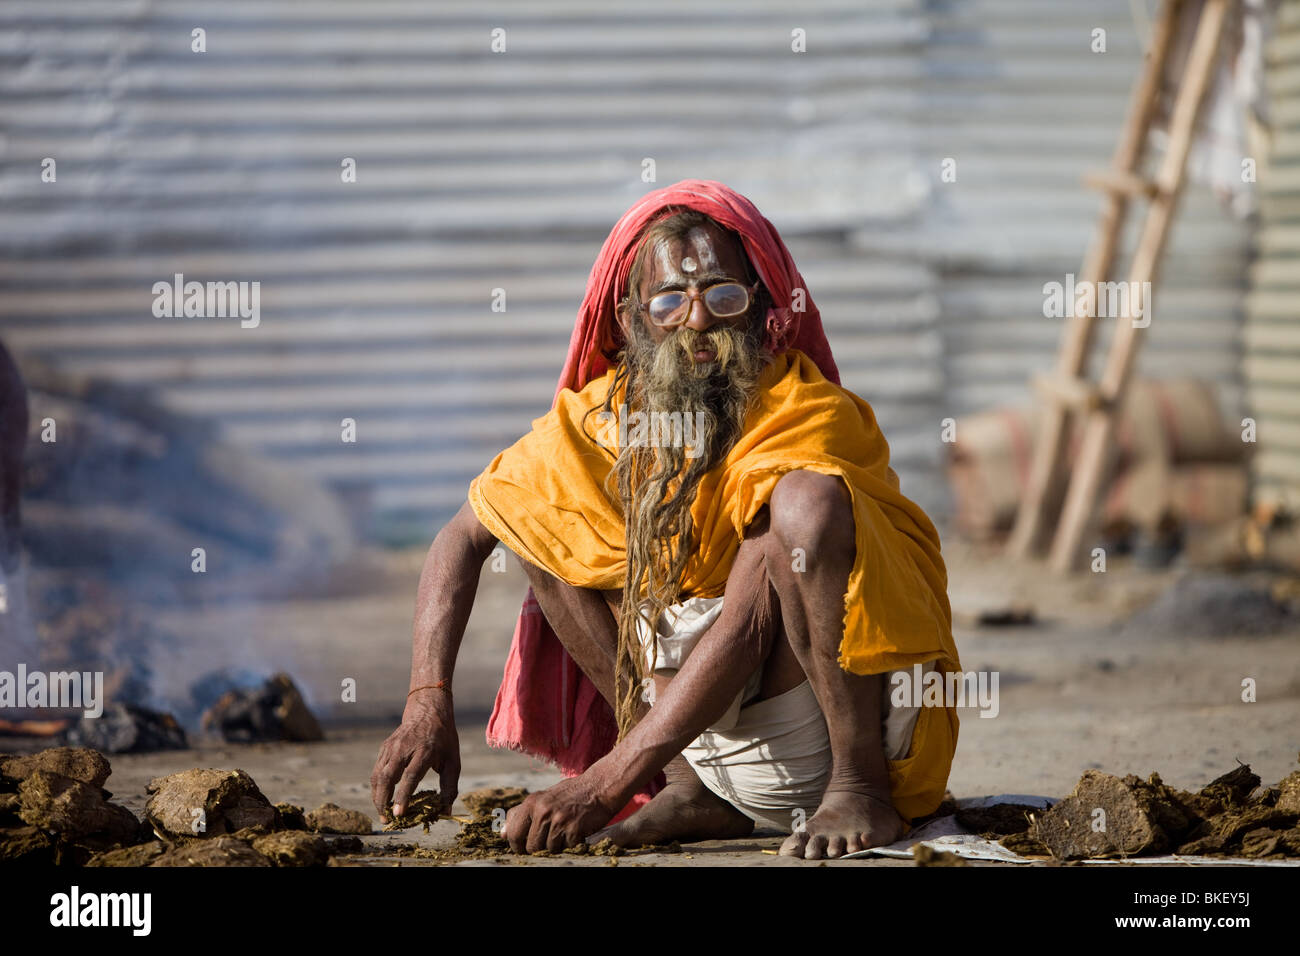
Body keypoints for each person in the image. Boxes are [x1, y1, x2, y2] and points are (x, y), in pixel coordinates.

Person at [371, 180, 961, 859]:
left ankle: (862, 792)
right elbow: (460, 538)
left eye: (722, 295)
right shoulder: (596, 422)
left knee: (806, 504)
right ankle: (690, 791)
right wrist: (427, 700)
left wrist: (602, 783)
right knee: (541, 517)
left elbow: (747, 626)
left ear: (762, 306)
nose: (698, 321)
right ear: (630, 320)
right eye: (670, 300)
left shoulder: (807, 410)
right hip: (696, 745)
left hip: (819, 744)